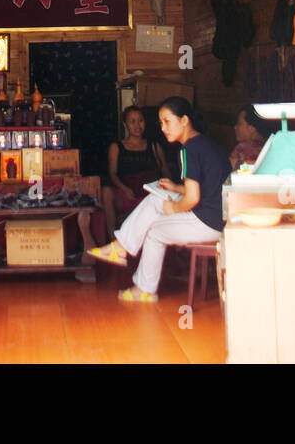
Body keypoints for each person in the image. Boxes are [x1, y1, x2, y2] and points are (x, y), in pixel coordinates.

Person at [87, 96, 228, 303]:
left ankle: (144, 289)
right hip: (218, 216)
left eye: (167, 121)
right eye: (161, 123)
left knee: (154, 232)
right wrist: (176, 188)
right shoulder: (205, 143)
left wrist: (174, 207)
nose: (163, 128)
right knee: (155, 200)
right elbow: (206, 187)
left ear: (184, 121)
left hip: (208, 222)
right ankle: (120, 248)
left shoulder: (189, 149)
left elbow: (192, 198)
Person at [102, 105, 167, 229]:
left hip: (149, 196)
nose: (137, 125)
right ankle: (112, 239)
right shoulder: (116, 147)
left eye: (140, 120)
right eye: (132, 121)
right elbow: (113, 174)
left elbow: (165, 170)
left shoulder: (154, 146)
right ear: (125, 124)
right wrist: (125, 189)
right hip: (127, 195)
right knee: (106, 192)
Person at [230, 104, 266, 169]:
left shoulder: (242, 148)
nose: (235, 127)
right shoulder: (269, 147)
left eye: (239, 123)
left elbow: (229, 174)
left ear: (251, 128)